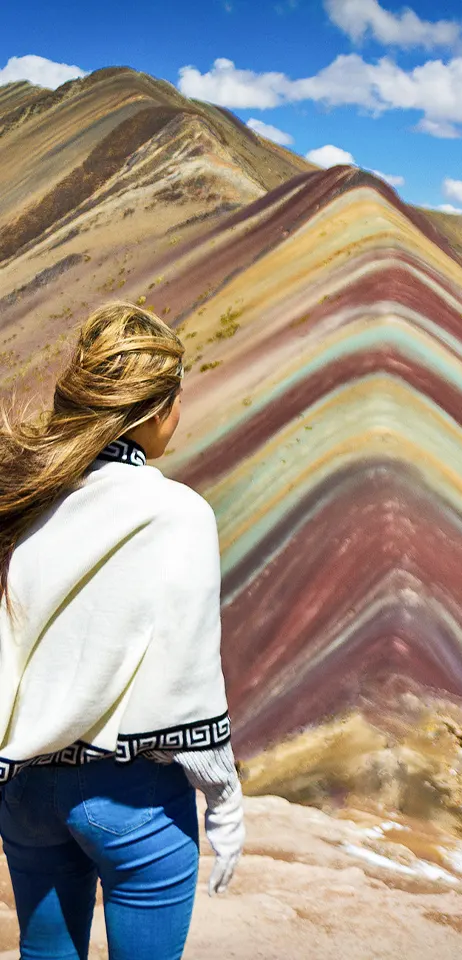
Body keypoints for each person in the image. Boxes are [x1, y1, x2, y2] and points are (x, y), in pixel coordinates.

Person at [0, 303, 244, 960]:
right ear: (157, 408)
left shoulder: (24, 500)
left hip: (24, 789)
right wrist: (223, 795)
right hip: (131, 795)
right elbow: (190, 669)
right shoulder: (176, 514)